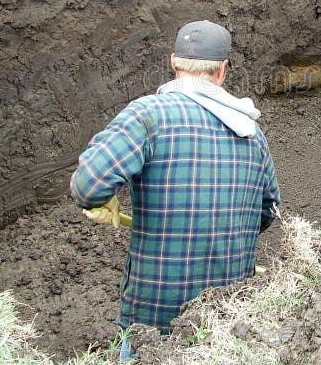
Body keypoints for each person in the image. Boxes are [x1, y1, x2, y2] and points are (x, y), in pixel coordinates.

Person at [70, 20, 280, 359]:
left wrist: (104, 199)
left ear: (173, 63)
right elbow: (268, 211)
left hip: (154, 317)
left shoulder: (148, 115)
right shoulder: (251, 132)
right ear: (222, 70)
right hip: (227, 316)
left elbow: (88, 186)